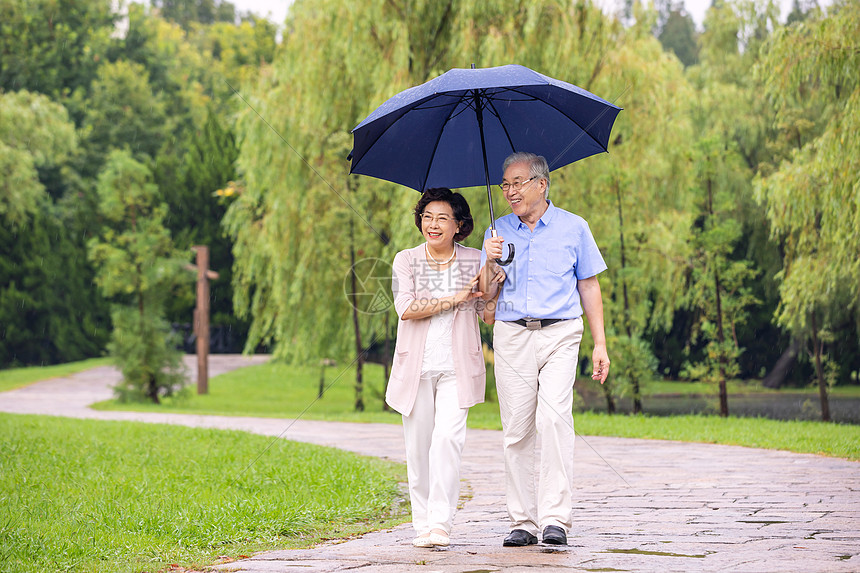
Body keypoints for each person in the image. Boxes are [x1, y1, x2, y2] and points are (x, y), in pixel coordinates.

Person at [479, 152, 610, 547]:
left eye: (517, 183)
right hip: (512, 333)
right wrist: (489, 263)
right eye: (505, 185)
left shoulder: (574, 228)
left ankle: (556, 518)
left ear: (541, 184)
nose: (509, 191)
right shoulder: (497, 232)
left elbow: (589, 285)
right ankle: (522, 521)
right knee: (516, 429)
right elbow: (486, 301)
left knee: (554, 419)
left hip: (560, 333)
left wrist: (600, 343)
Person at [387, 187, 503, 548]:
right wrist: (454, 297)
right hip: (416, 367)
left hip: (458, 366)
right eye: (426, 217)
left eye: (441, 218)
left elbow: (487, 313)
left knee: (447, 441)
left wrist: (491, 265)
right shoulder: (405, 259)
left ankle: (440, 523)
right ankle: (422, 522)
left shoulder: (474, 258)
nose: (432, 224)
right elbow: (405, 308)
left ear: (459, 225)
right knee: (418, 447)